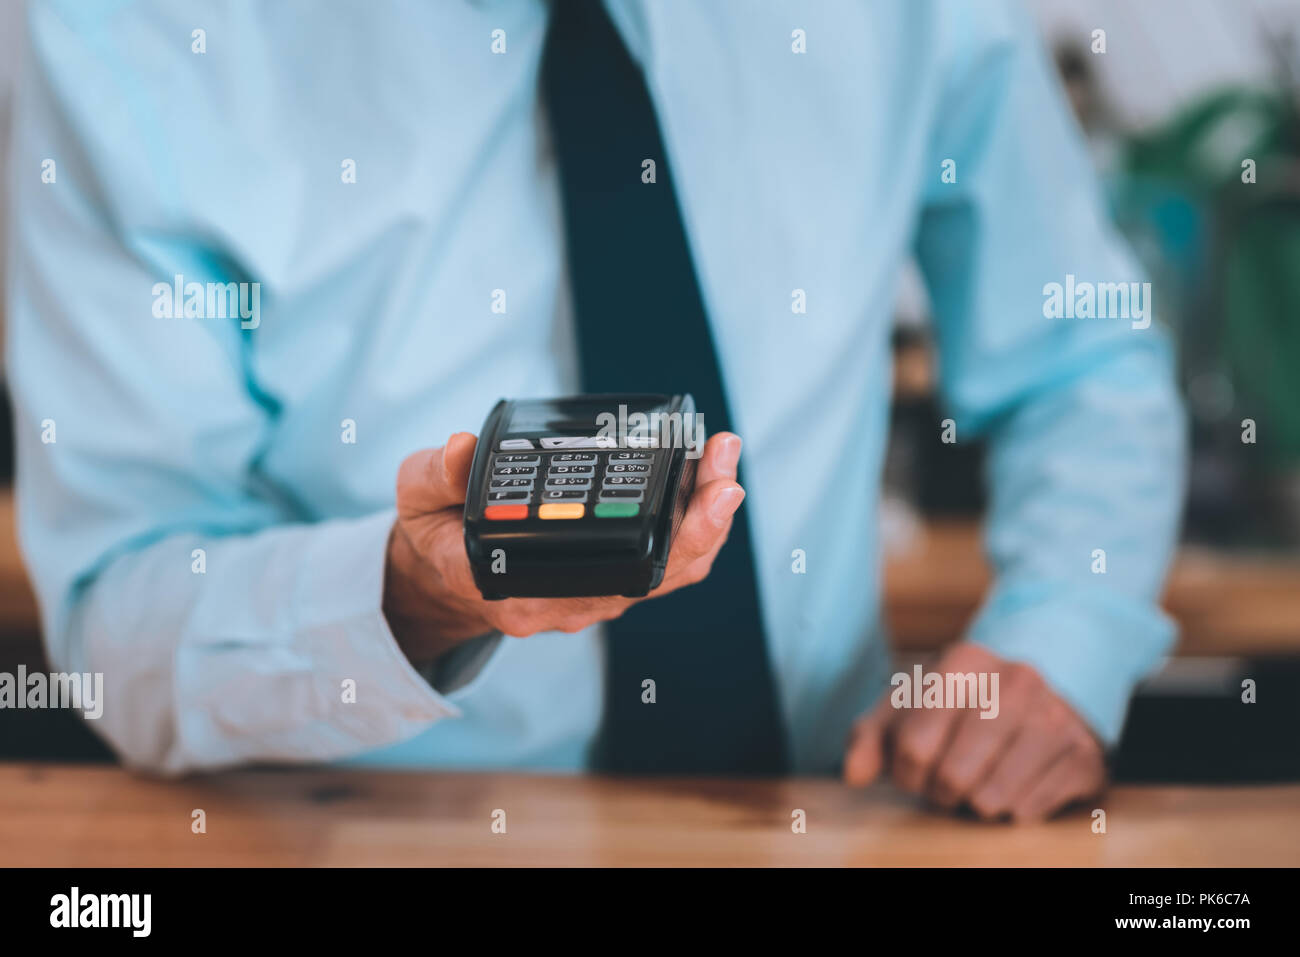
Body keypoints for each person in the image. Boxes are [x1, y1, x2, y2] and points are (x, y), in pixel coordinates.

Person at [6, 0, 1184, 821]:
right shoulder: (123, 36)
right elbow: (124, 607)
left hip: (824, 816)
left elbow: (1080, 364)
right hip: (370, 837)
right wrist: (405, 597)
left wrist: (1056, 642)